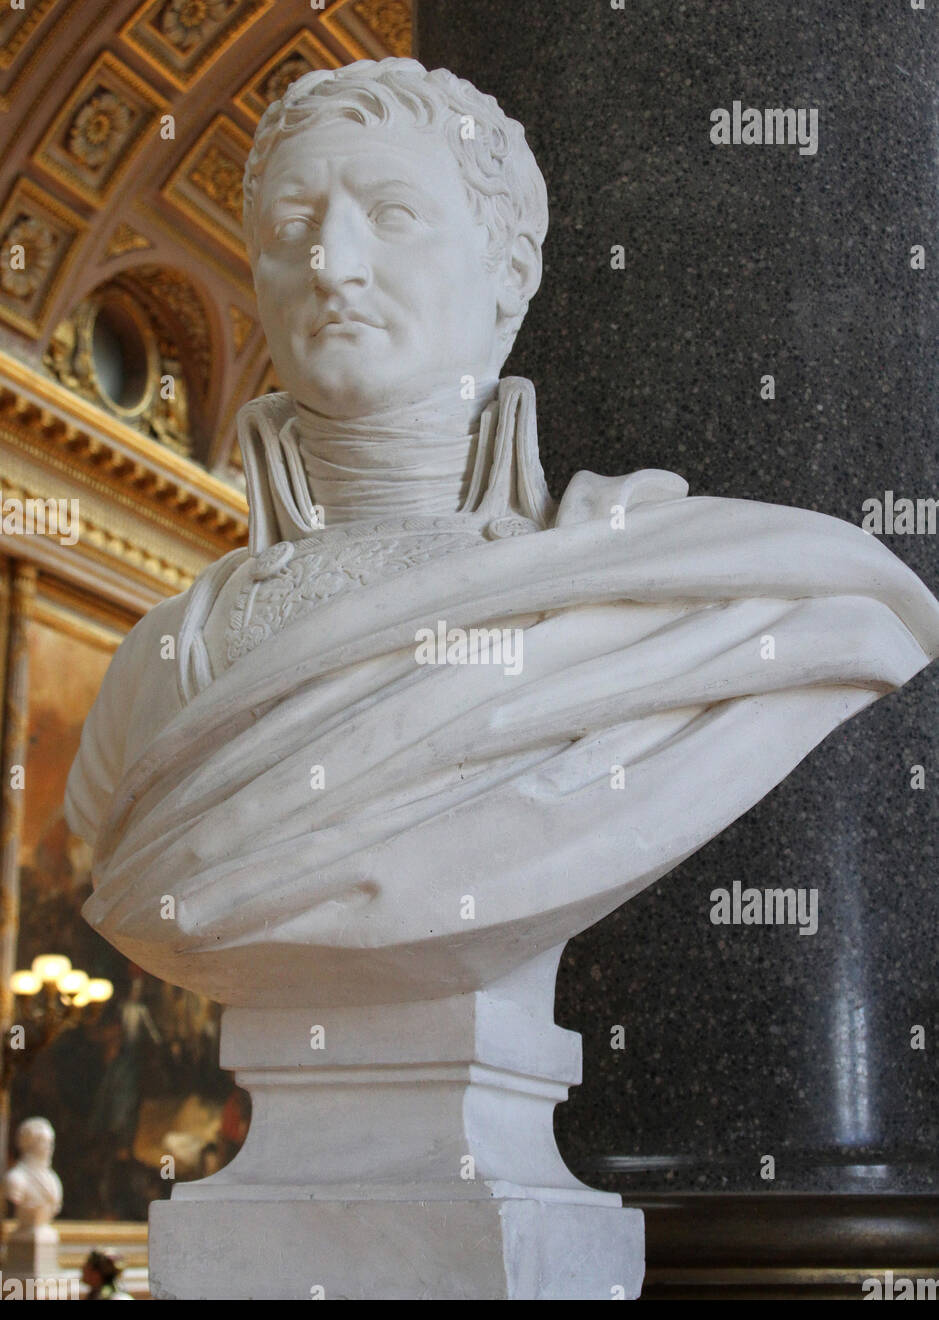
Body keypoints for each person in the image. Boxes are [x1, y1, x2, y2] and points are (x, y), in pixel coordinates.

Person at [64, 58, 939, 1010]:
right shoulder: (156, 666)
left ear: (508, 273)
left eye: (391, 216)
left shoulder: (684, 583)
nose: (333, 264)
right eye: (291, 229)